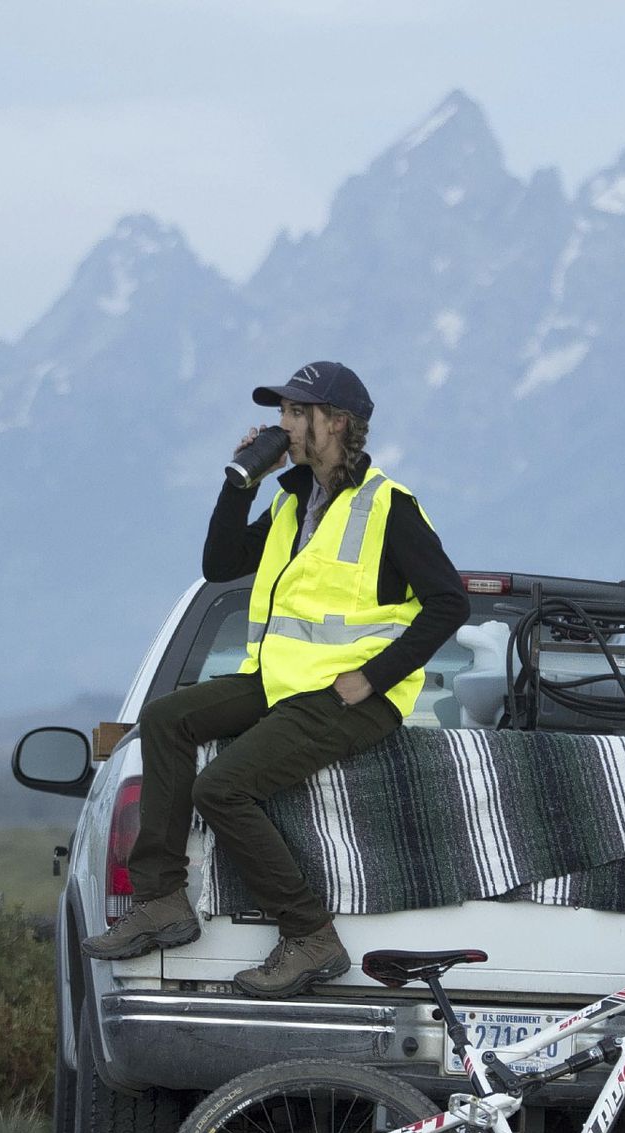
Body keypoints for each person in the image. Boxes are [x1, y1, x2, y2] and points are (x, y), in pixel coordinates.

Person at [82, 361, 470, 998]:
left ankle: (311, 936)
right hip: (283, 682)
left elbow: (449, 602)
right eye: (282, 412)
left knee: (222, 787)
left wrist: (374, 676)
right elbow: (221, 565)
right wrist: (240, 483)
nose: (282, 425)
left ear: (337, 423)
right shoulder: (295, 499)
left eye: (296, 413)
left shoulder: (387, 506)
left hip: (349, 696)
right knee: (165, 717)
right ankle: (163, 902)